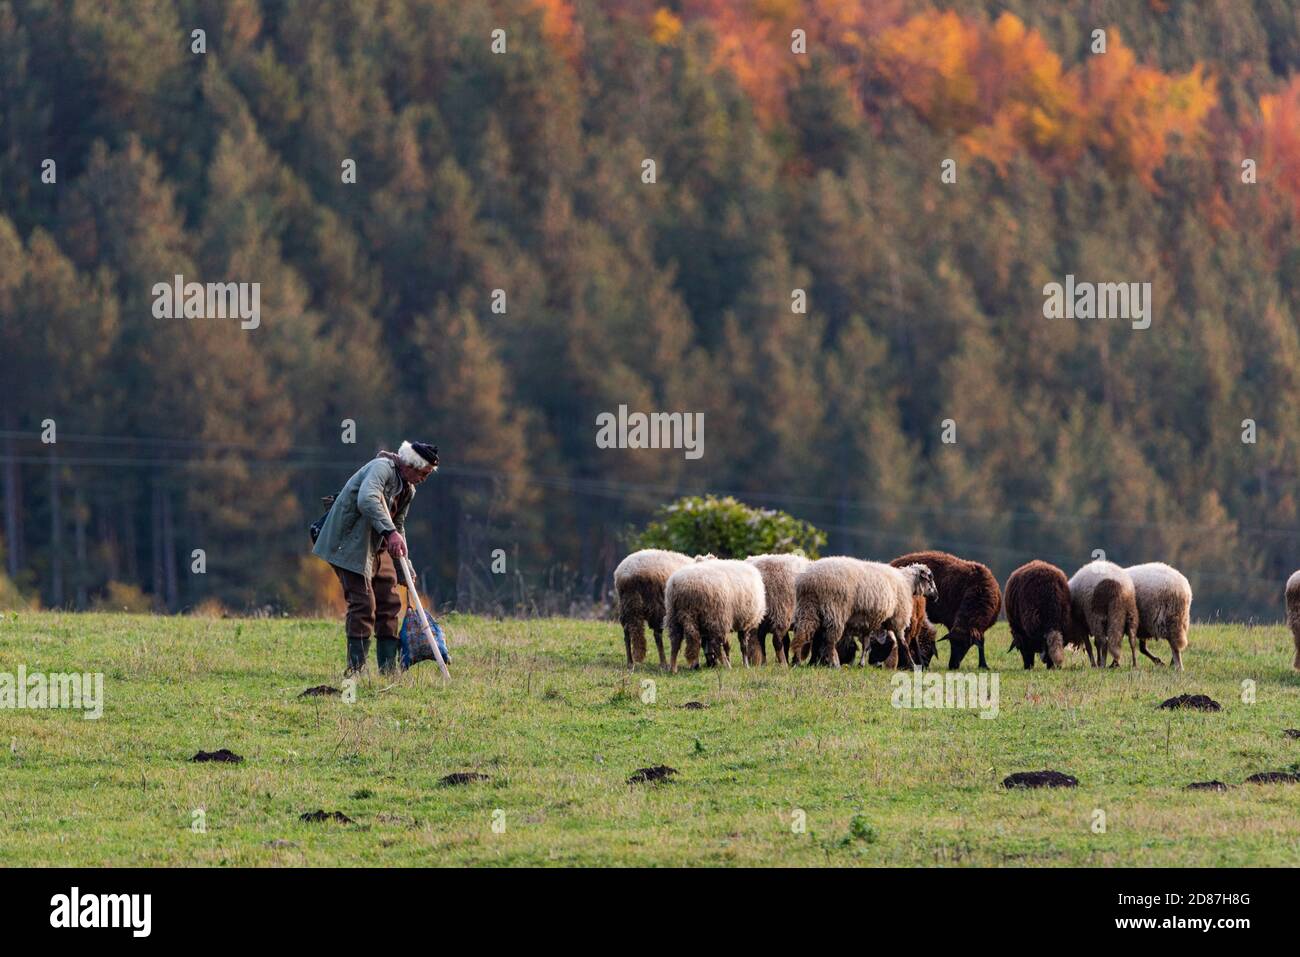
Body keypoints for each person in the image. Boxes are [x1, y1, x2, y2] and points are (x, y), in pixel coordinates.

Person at [312, 441, 438, 674]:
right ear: (411, 465)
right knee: (363, 604)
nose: (424, 478)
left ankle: (387, 670)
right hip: (349, 545)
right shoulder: (381, 468)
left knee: (389, 603)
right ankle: (356, 669)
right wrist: (389, 533)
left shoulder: (408, 490)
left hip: (378, 546)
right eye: (423, 473)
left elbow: (398, 525)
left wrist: (404, 567)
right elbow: (367, 499)